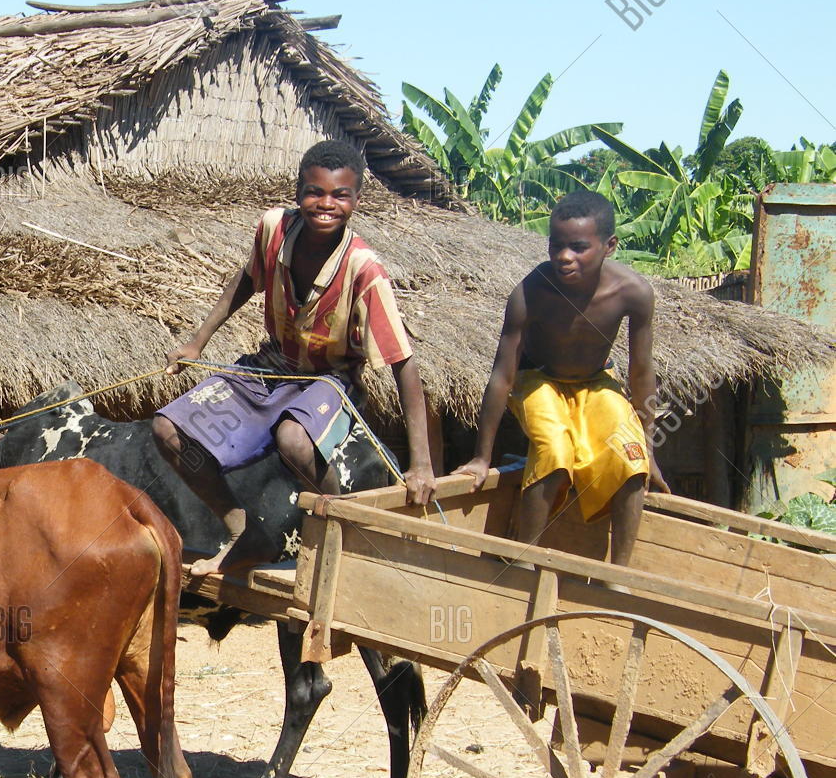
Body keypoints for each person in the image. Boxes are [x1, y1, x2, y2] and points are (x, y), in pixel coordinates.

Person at [152, 139, 436, 575]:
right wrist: (198, 342)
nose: (326, 204)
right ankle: (241, 527)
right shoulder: (274, 228)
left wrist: (421, 465)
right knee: (168, 429)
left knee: (293, 441)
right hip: (271, 365)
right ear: (298, 190)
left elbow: (403, 362)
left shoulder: (364, 271)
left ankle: (340, 523)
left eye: (340, 195)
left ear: (357, 200)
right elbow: (246, 281)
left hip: (329, 379)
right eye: (314, 191)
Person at [452, 190, 667, 565]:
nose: (564, 257)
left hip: (597, 380)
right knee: (554, 452)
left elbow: (641, 371)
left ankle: (617, 576)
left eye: (578, 247)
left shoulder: (633, 292)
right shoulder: (531, 291)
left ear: (609, 246)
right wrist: (481, 457)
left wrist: (647, 445)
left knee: (631, 461)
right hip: (539, 378)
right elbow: (502, 375)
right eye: (556, 246)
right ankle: (523, 560)